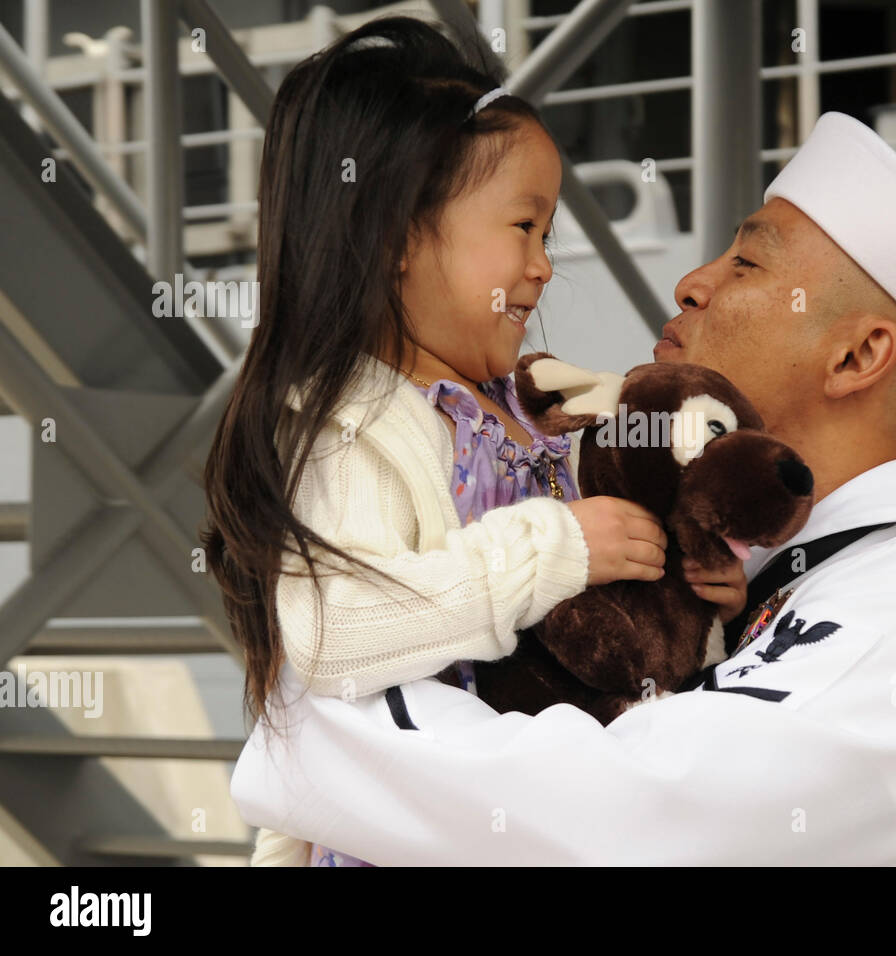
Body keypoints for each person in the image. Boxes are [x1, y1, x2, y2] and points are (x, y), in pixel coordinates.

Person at [230, 112, 896, 865]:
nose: (693, 282)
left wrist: (316, 707)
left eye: (748, 261)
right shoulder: (775, 554)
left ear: (858, 356)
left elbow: (634, 816)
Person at [202, 18, 685, 866]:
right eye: (524, 227)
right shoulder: (351, 422)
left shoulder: (518, 407)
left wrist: (680, 581)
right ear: (392, 237)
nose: (544, 265)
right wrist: (559, 547)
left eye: (549, 233)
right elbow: (333, 635)